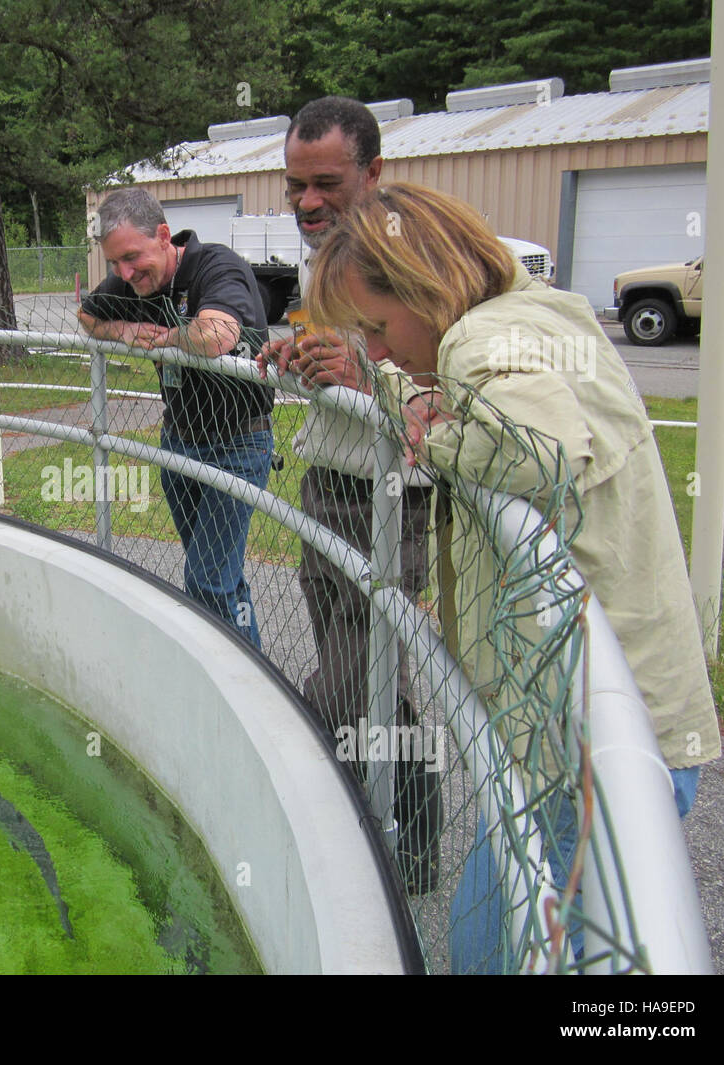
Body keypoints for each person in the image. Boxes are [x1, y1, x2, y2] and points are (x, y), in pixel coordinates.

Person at [306, 180, 723, 971]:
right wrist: (407, 397)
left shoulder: (481, 341)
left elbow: (539, 448)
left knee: (504, 948)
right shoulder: (531, 316)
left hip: (592, 737)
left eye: (378, 326)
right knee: (497, 931)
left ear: (424, 286)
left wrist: (434, 440)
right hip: (596, 720)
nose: (381, 349)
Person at [257, 97, 441, 894]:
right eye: (294, 184)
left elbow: (438, 379)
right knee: (369, 685)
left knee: (345, 689)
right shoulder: (326, 253)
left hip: (391, 496)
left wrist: (363, 373)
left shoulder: (412, 255)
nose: (306, 202)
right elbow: (325, 331)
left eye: (324, 182)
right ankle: (405, 844)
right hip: (327, 484)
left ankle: (373, 838)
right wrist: (290, 342)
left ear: (373, 172)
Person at [78, 186, 273, 649]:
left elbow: (215, 337)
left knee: (207, 577)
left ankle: (237, 679)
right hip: (179, 442)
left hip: (237, 446)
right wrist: (122, 328)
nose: (124, 274)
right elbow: (87, 315)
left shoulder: (216, 266)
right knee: (218, 574)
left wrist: (163, 339)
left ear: (164, 235)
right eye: (113, 264)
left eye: (131, 258)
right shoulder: (133, 281)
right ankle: (250, 665)